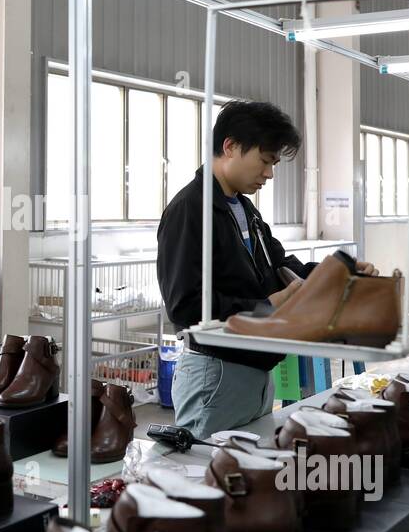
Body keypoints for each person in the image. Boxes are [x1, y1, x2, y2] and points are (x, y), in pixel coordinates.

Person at [156, 100, 377, 439]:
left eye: (273, 163)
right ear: (230, 147)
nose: (269, 174)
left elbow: (282, 266)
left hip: (256, 372)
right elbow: (185, 307)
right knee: (207, 477)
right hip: (216, 376)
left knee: (248, 478)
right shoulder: (190, 211)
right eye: (265, 160)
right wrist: (267, 308)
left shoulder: (245, 210)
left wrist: (335, 276)